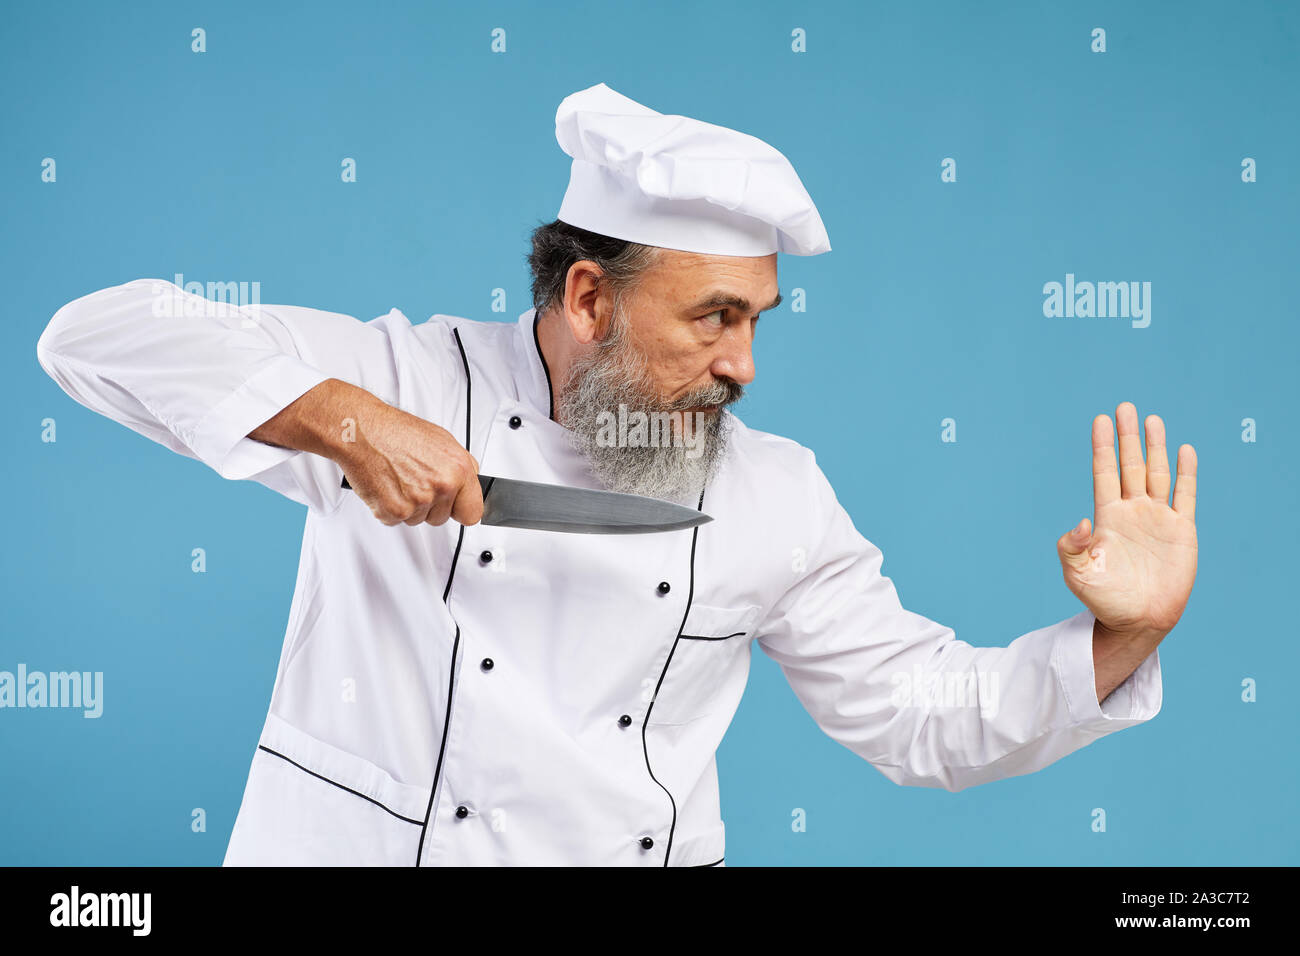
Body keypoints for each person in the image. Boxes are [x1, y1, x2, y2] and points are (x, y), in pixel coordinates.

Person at [34, 82, 1198, 867]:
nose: (743, 364)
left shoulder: (774, 495)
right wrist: (338, 421)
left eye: (759, 321)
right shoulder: (400, 376)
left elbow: (921, 716)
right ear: (588, 296)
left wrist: (1121, 639)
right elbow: (96, 335)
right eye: (713, 317)